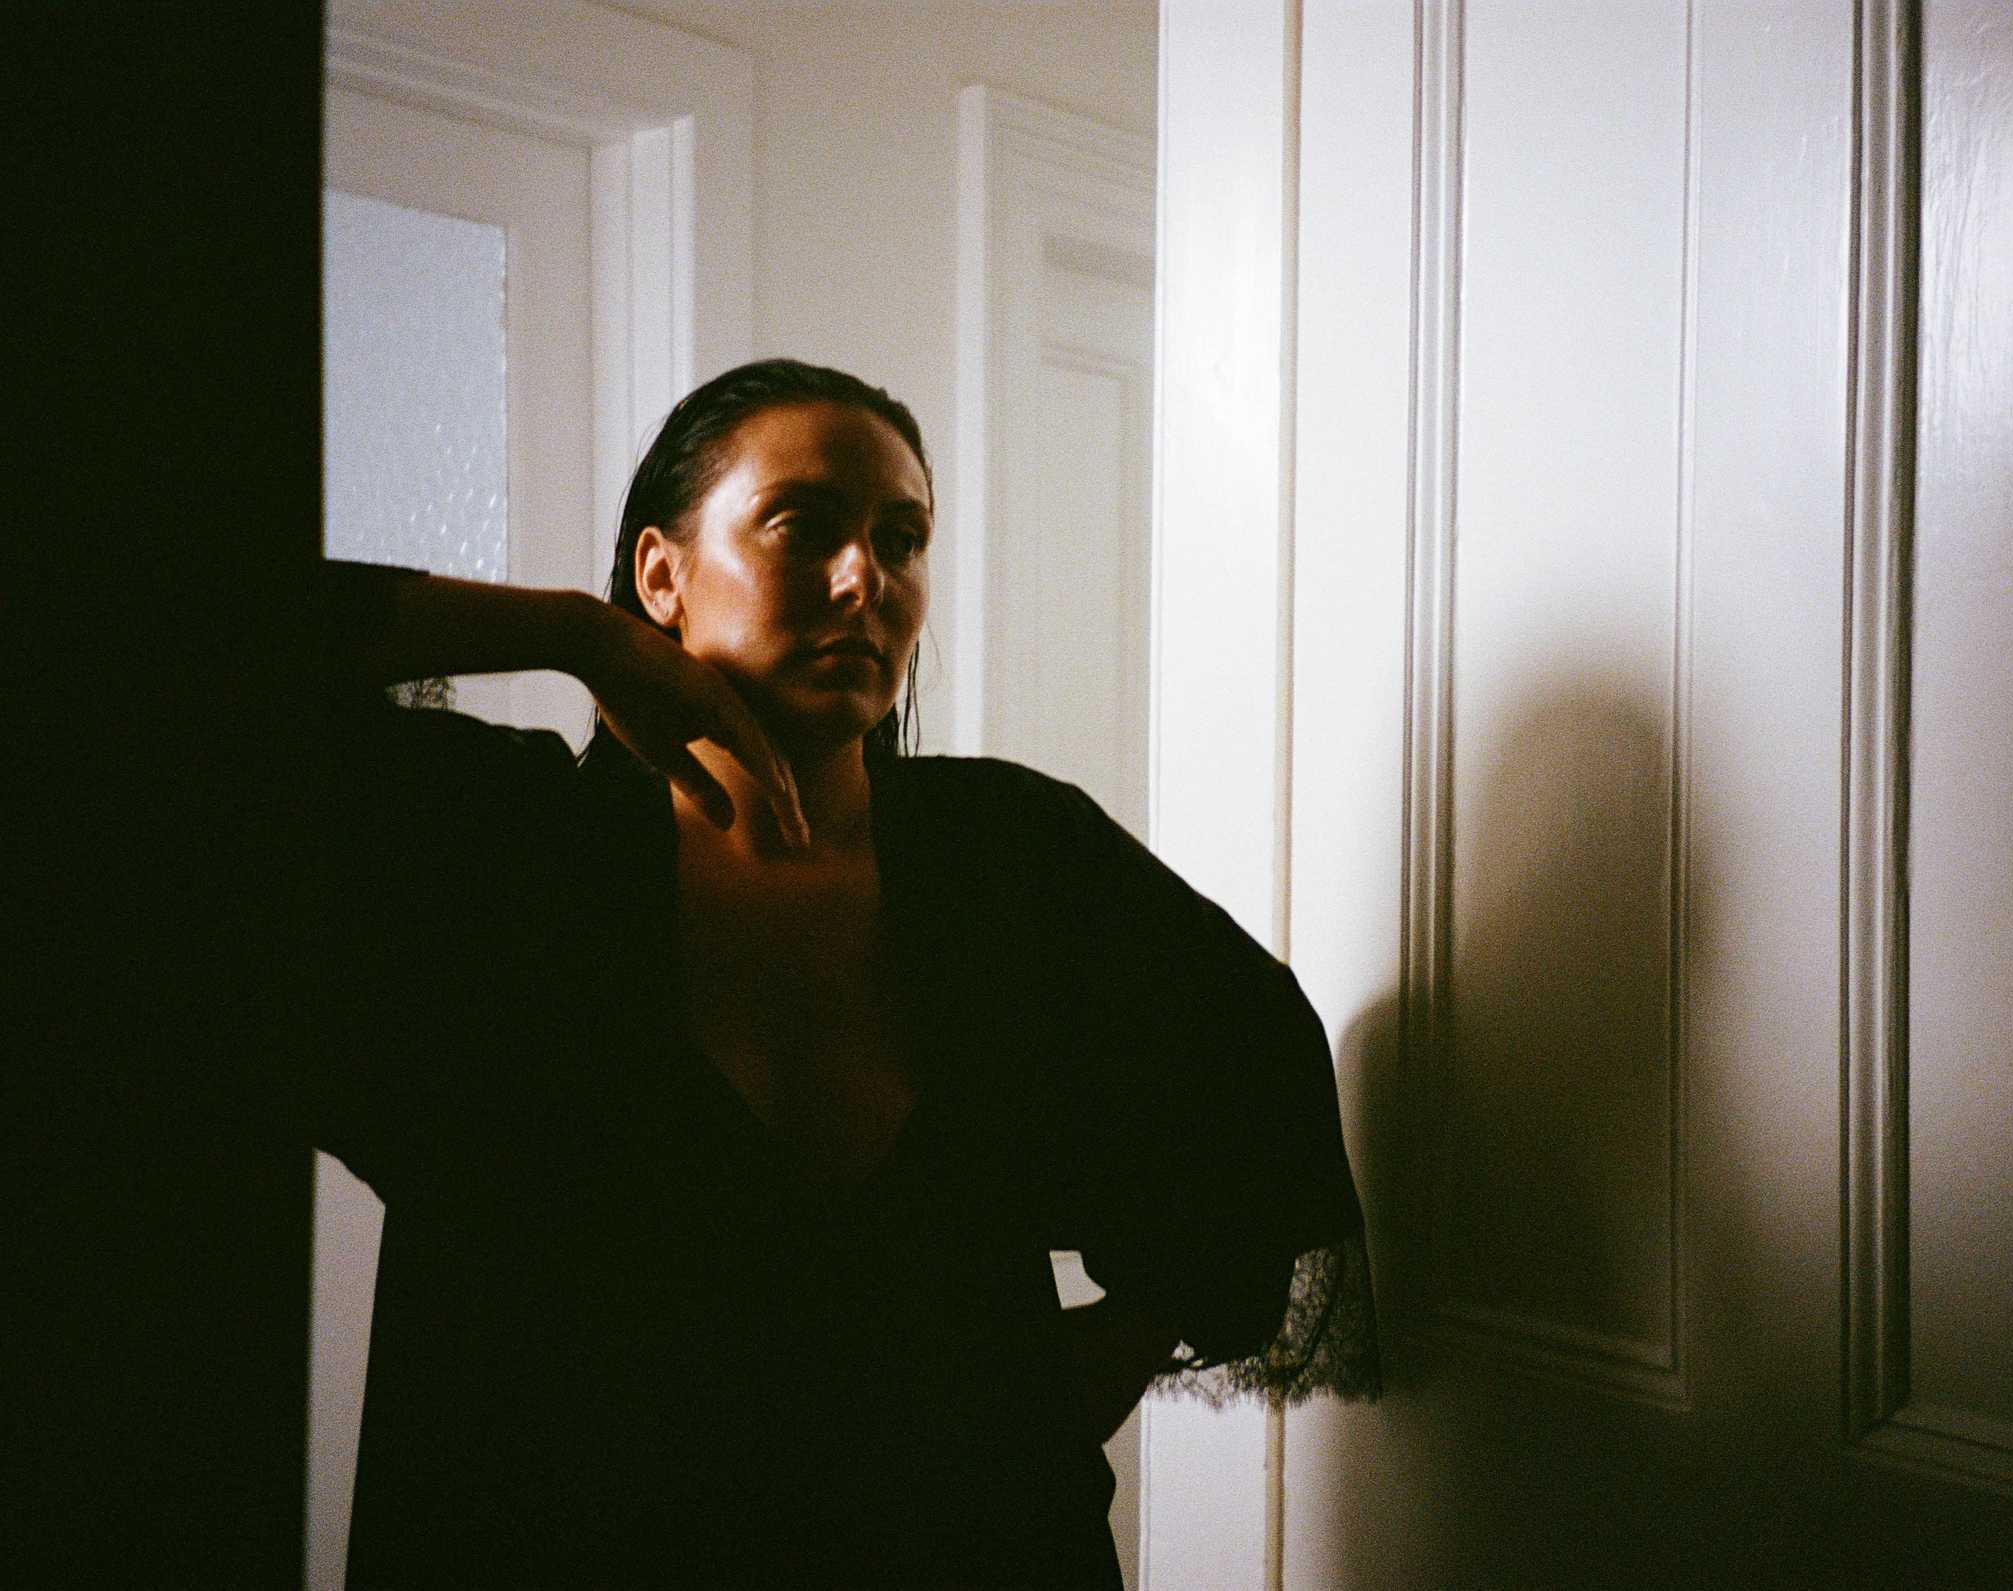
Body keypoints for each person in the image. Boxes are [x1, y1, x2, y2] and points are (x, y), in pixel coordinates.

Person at [313, 358, 1374, 1587]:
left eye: (902, 538)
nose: (866, 577)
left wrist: (1103, 1356)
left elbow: (1256, 1065)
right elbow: (150, 643)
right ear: (661, 573)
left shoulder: (1011, 857)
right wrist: (568, 632)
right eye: (803, 525)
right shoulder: (491, 855)